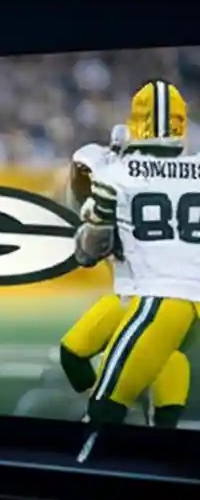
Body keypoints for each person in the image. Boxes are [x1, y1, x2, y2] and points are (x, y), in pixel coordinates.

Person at [73, 79, 200, 461]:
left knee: (102, 414)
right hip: (192, 302)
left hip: (160, 298)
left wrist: (88, 220)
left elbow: (89, 251)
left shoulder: (115, 173)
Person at [59, 122, 189, 430]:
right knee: (75, 353)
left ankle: (121, 419)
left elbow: (86, 252)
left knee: (161, 366)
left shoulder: (116, 182)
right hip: (150, 298)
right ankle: (115, 408)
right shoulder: (171, 181)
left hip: (147, 297)